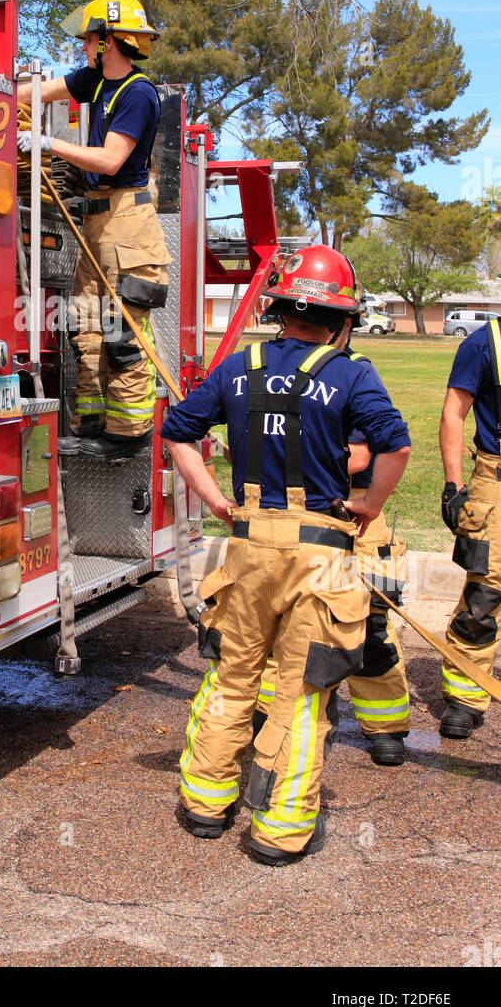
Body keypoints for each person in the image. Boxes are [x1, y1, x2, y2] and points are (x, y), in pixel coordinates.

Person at [161, 245, 411, 865]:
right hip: (321, 557)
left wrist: (217, 500)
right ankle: (280, 831)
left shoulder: (237, 367)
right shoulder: (351, 372)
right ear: (341, 320)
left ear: (281, 310)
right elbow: (395, 447)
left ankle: (203, 804)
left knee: (231, 677)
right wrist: (369, 508)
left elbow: (177, 433)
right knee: (301, 696)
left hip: (244, 550)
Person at [16, 0, 170, 460]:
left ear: (109, 42)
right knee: (86, 324)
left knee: (122, 334)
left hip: (128, 223)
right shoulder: (93, 82)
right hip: (98, 223)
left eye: (88, 40)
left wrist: (47, 142)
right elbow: (34, 92)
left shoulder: (138, 93)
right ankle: (92, 425)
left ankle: (126, 437)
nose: (82, 48)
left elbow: (109, 160)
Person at [256, 429, 412, 767]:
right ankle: (269, 716)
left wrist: (279, 456)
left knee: (368, 627)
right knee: (285, 623)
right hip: (294, 509)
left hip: (352, 512)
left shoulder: (347, 378)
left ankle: (386, 728)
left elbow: (358, 457)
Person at [438, 315, 501, 738]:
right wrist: (454, 484)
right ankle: (465, 696)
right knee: (485, 592)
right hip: (494, 482)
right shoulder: (484, 344)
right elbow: (454, 412)